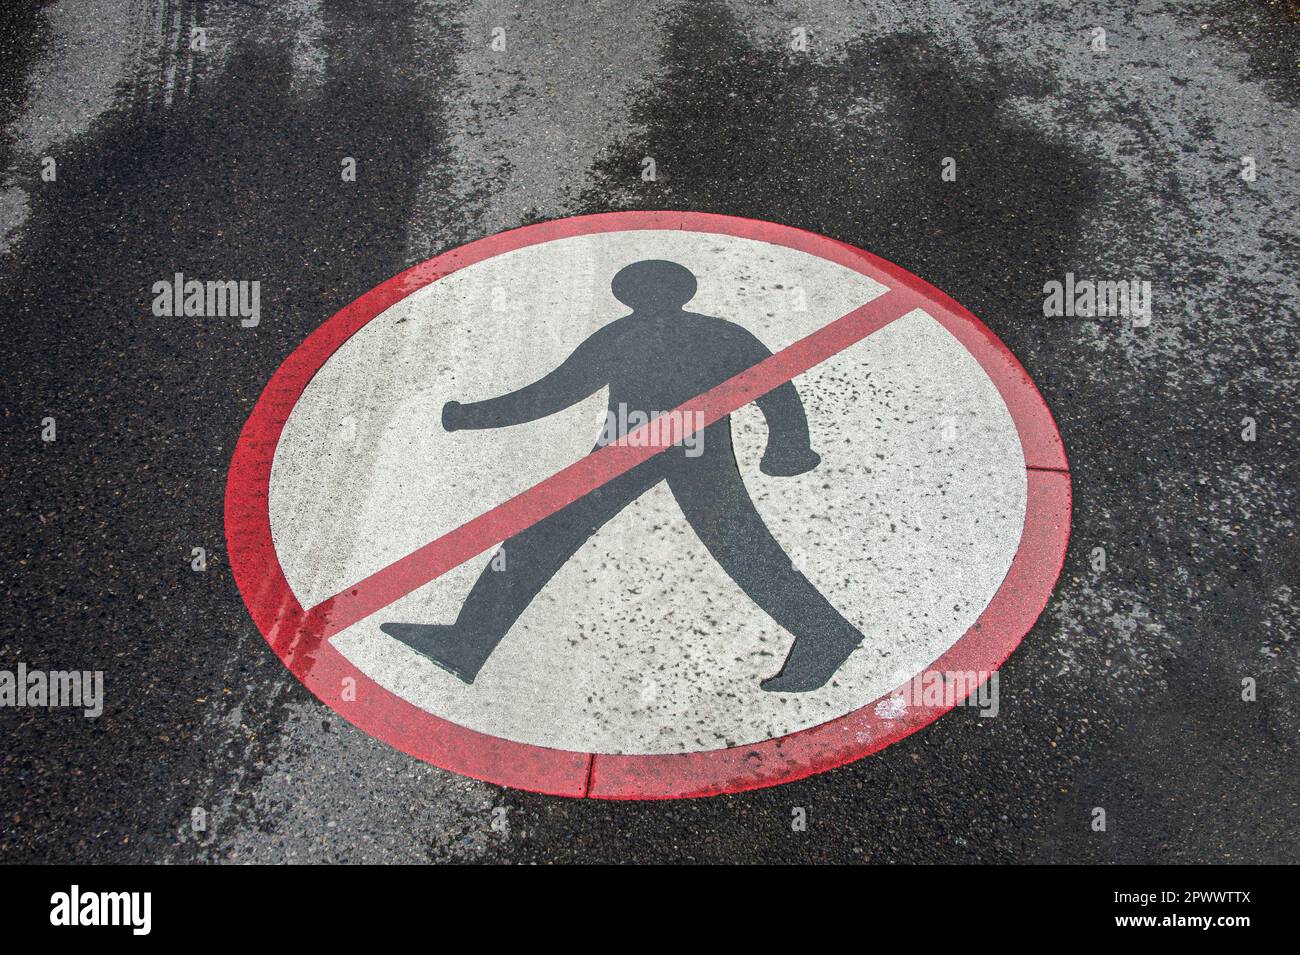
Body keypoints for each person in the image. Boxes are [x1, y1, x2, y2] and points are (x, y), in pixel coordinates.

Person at [381, 260, 863, 692]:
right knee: (542, 535)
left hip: (672, 452)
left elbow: (772, 386)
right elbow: (553, 392)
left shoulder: (654, 335)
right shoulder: (698, 333)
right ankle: (465, 641)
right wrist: (471, 417)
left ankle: (825, 634)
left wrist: (789, 445)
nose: (645, 298)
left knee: (737, 545)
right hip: (637, 452)